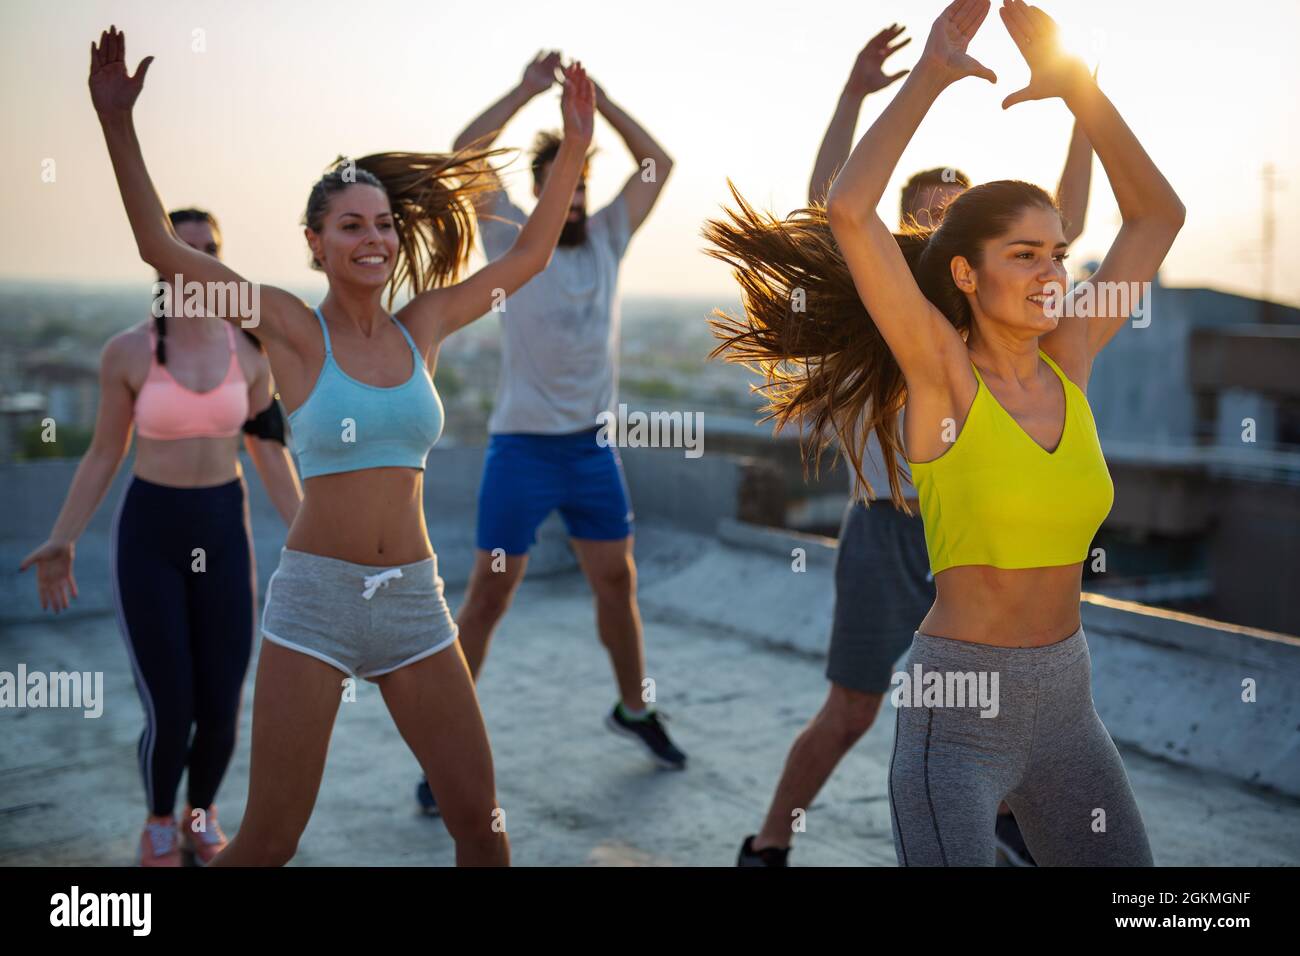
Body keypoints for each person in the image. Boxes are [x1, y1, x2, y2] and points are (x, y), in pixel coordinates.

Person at [85, 25, 596, 866]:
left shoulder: (421, 326)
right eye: (351, 225)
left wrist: (574, 145)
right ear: (316, 243)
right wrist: (116, 122)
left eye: (385, 224)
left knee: (482, 823)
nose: (375, 238)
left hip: (415, 606)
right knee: (270, 843)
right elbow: (160, 249)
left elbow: (532, 253)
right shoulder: (289, 326)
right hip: (317, 604)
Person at [708, 0, 1182, 865]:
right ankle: (769, 842)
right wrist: (930, 71)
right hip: (959, 717)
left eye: (1057, 255)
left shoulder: (1069, 359)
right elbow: (845, 213)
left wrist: (1081, 92)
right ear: (964, 274)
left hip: (1070, 709)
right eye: (1026, 256)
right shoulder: (940, 373)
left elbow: (1157, 219)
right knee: (851, 708)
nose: (1052, 274)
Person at [414, 50, 681, 816]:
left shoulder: (607, 235)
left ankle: (634, 708)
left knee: (617, 582)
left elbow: (659, 163)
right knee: (489, 596)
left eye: (580, 191)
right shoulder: (507, 235)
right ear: (540, 192)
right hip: (521, 450)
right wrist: (526, 91)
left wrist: (599, 109)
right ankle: (444, 746)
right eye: (561, 192)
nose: (571, 207)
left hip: (591, 451)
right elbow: (464, 152)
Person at [20, 207, 302, 866]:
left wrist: (314, 535)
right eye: (181, 249)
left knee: (224, 706)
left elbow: (269, 454)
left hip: (223, 535)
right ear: (159, 262)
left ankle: (199, 815)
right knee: (171, 707)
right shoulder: (128, 351)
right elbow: (101, 454)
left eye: (207, 250)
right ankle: (157, 821)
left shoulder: (250, 349)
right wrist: (64, 537)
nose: (194, 262)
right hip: (152, 538)